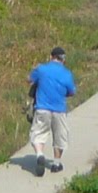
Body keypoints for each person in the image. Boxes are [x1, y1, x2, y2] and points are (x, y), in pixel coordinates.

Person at [27, 46, 76, 177]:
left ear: (51, 57)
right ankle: (56, 164)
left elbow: (29, 79)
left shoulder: (41, 69)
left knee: (38, 133)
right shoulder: (67, 73)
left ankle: (39, 155)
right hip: (59, 109)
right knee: (60, 136)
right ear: (63, 60)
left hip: (42, 107)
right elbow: (71, 92)